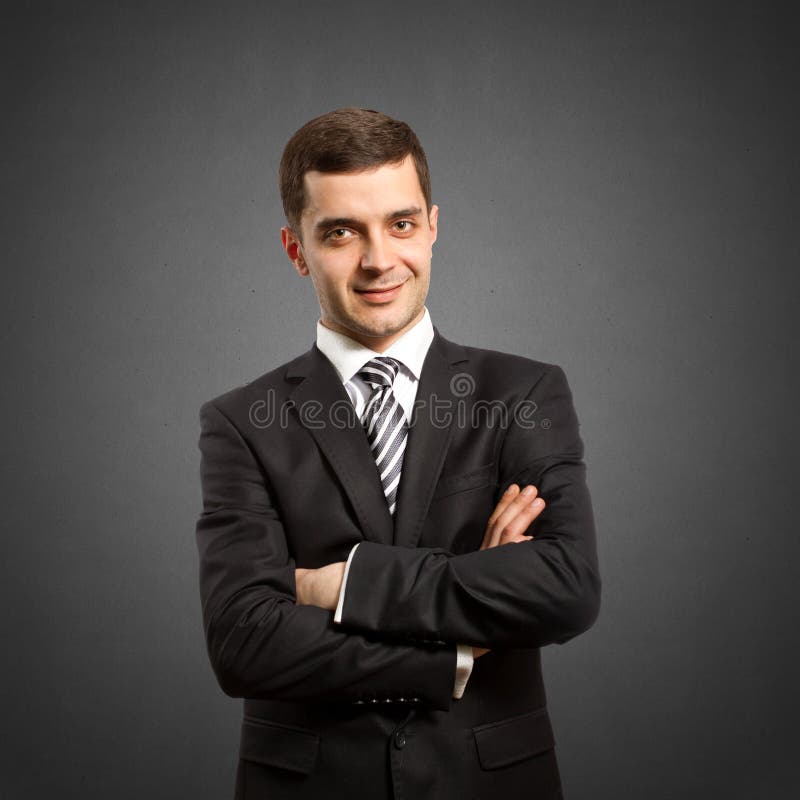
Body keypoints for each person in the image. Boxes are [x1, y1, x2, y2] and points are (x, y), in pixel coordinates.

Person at [195, 107, 600, 800]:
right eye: (342, 232)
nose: (380, 259)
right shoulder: (239, 422)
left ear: (433, 229)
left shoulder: (525, 391)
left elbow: (566, 587)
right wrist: (457, 642)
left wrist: (344, 583)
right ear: (296, 250)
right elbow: (244, 642)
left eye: (401, 224)